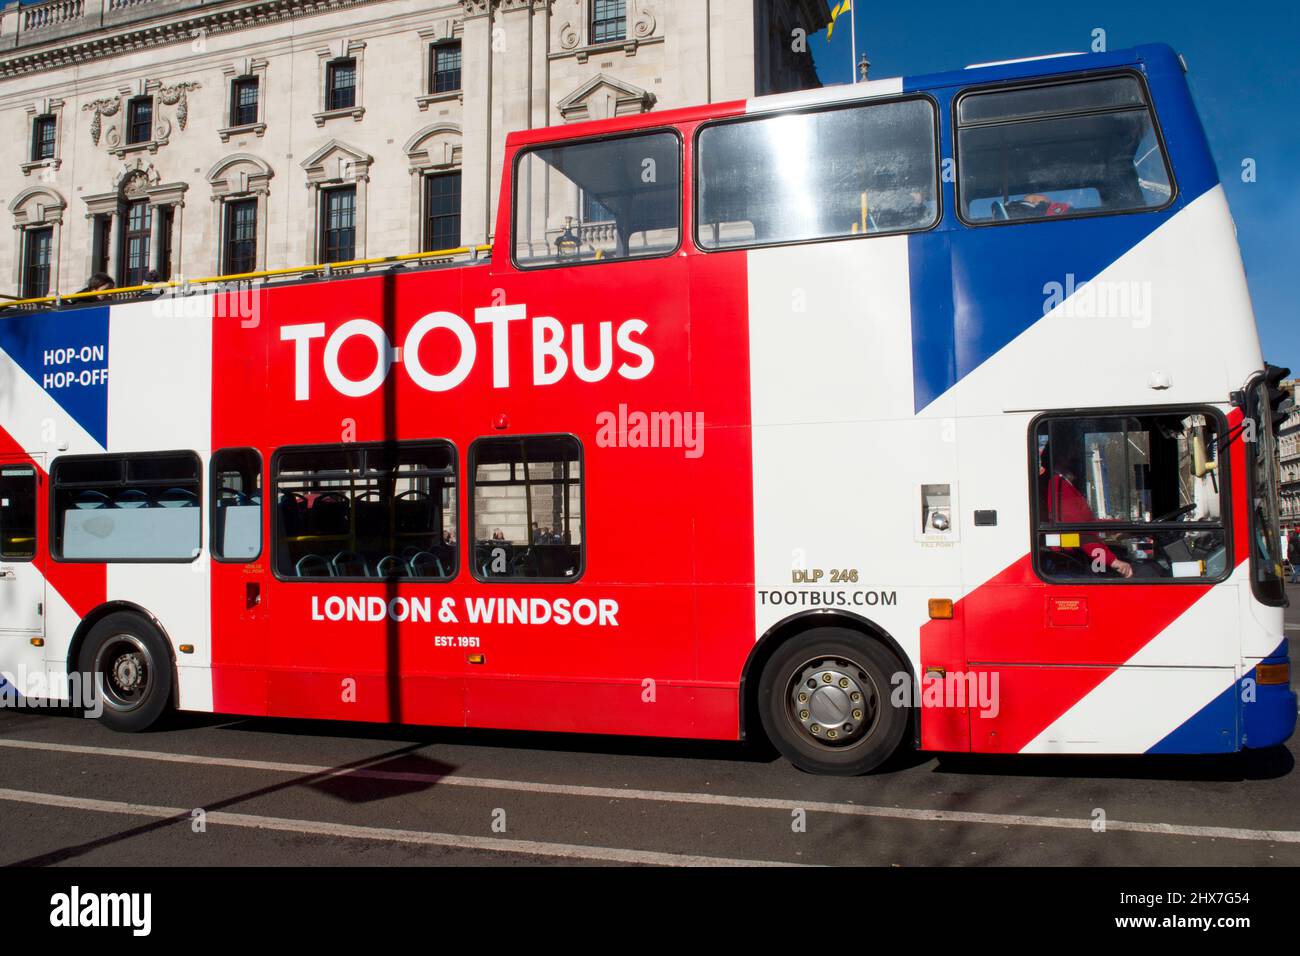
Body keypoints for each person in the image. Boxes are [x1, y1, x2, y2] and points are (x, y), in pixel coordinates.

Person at [1040, 440, 1133, 578]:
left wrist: (1119, 526)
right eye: (1073, 455)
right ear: (1062, 459)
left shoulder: (1062, 485)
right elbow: (1081, 533)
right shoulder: (1059, 487)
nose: (1077, 459)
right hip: (1070, 562)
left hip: (1073, 557)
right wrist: (1114, 562)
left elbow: (1087, 523)